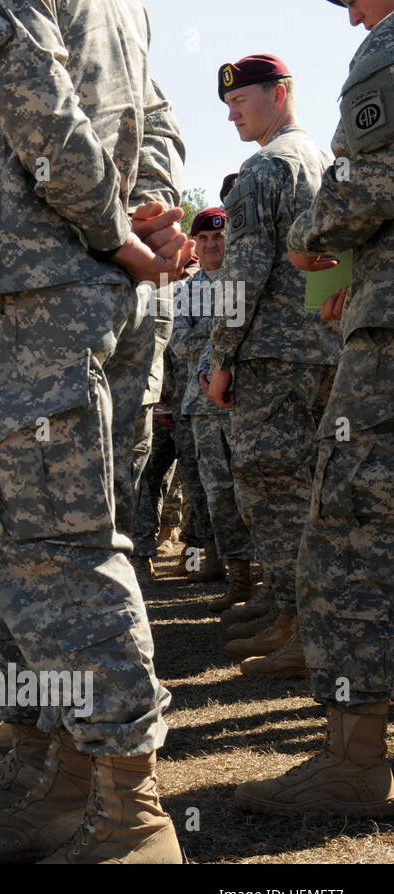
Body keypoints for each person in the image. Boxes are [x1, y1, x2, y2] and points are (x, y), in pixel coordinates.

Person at [0, 0, 188, 863]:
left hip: (32, 285)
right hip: (90, 287)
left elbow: (35, 97)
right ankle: (74, 782)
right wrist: (147, 215)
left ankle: (130, 818)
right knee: (73, 536)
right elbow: (155, 116)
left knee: (50, 546)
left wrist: (117, 231)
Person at [235, 0, 394, 816]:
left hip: (359, 335)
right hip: (346, 326)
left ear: (278, 93)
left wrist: (315, 236)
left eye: (240, 99)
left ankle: (357, 757)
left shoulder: (387, 46)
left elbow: (360, 191)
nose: (348, 12)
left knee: (349, 521)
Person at [206, 54, 341, 677]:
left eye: (242, 100)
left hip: (271, 356)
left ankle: (301, 628)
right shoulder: (321, 161)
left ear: (279, 94)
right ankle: (295, 618)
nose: (232, 112)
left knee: (270, 490)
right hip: (321, 352)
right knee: (311, 491)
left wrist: (221, 358)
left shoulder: (266, 167)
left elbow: (242, 275)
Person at [171, 208, 256, 614]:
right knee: (217, 491)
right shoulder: (184, 291)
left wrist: (211, 340)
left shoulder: (246, 283)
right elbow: (179, 344)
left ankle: (272, 579)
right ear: (195, 244)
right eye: (203, 239)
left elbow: (253, 339)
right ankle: (237, 576)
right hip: (203, 403)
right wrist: (222, 342)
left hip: (248, 399)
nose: (211, 245)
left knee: (255, 485)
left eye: (218, 238)